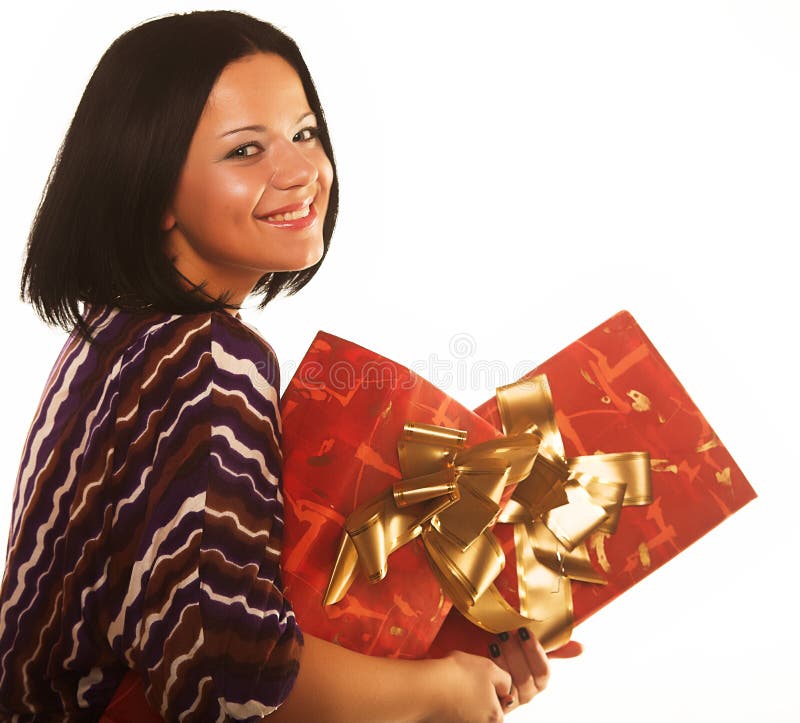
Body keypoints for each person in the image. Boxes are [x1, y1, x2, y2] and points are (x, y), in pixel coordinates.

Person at [0, 10, 578, 722]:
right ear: (150, 190)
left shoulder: (121, 334)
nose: (303, 170)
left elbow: (193, 612)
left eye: (304, 133)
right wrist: (439, 693)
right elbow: (223, 676)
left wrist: (434, 637)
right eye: (245, 150)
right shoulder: (207, 362)